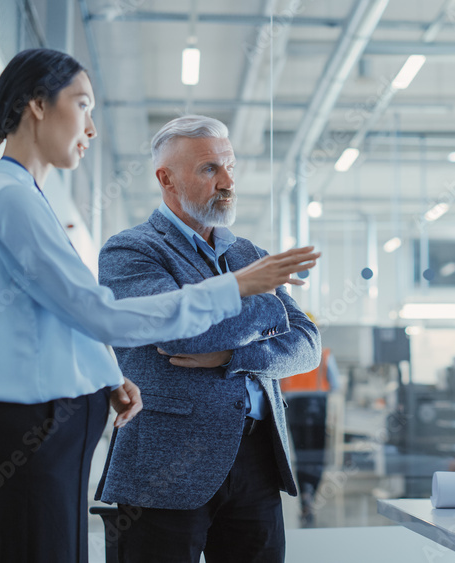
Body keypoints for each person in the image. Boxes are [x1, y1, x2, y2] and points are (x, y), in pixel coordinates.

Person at [0, 49, 317, 563]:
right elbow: (113, 318)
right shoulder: (29, 205)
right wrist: (247, 291)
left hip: (67, 433)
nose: (91, 128)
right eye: (82, 105)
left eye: (229, 166)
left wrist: (107, 374)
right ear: (36, 105)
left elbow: (71, 316)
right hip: (47, 440)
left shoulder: (25, 196)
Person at [95, 115, 321, 563]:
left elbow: (308, 345)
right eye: (208, 169)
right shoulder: (132, 250)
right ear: (167, 179)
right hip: (165, 466)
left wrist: (233, 355)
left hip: (257, 457)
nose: (226, 182)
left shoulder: (248, 254)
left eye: (230, 167)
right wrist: (265, 303)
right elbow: (180, 333)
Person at [280, 317, 342, 526]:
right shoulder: (323, 353)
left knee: (301, 454)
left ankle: (304, 496)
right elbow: (336, 384)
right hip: (317, 406)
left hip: (293, 408)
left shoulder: (286, 351)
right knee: (316, 455)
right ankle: (311, 498)